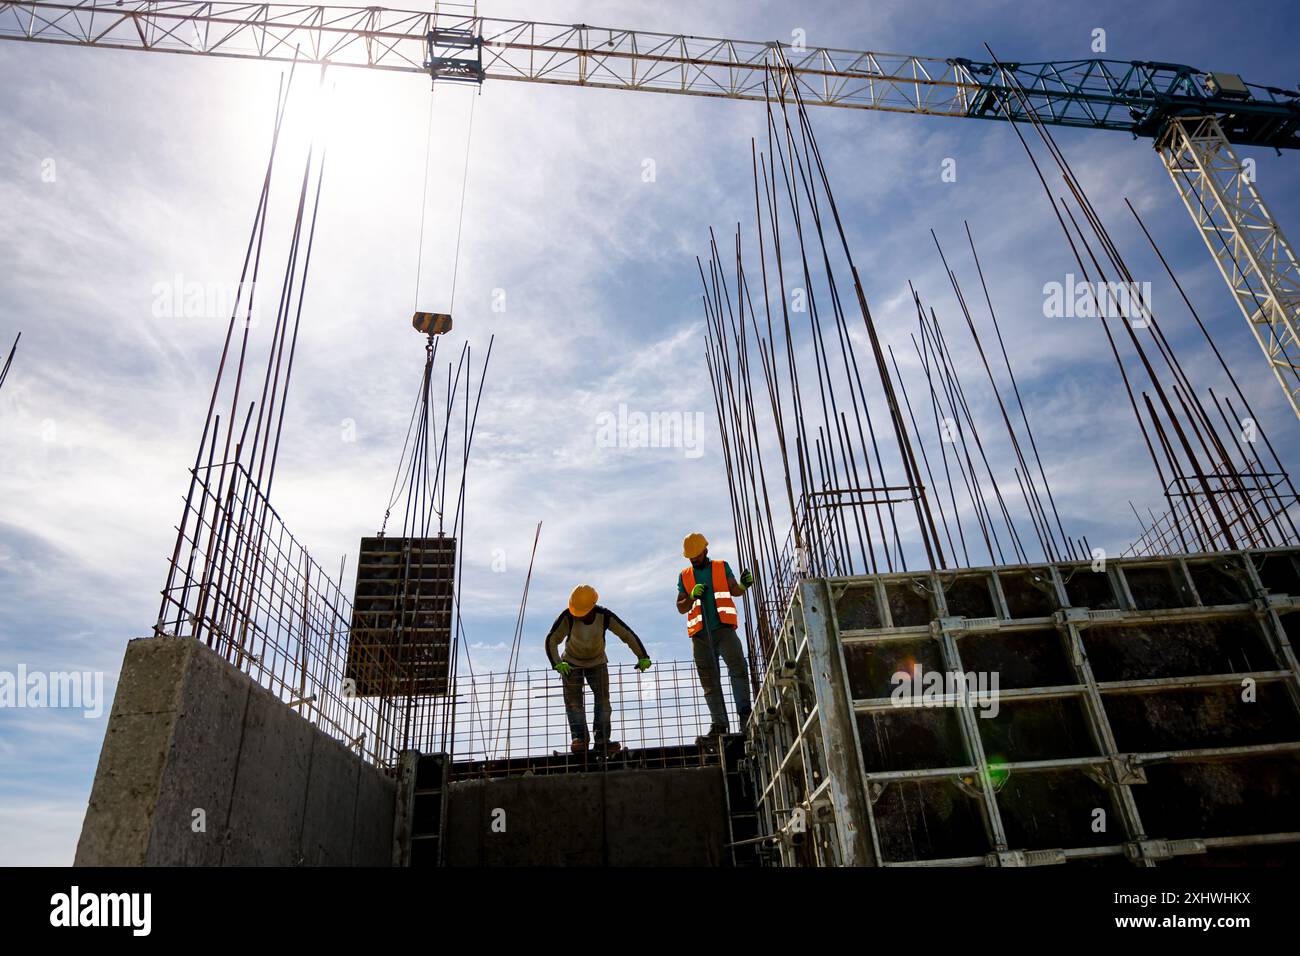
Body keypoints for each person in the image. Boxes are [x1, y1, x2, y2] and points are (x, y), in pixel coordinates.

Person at [544, 584, 651, 754]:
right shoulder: (568, 616)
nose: (580, 615)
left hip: (597, 661)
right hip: (571, 662)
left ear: (592, 606)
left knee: (603, 701)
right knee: (574, 703)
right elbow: (552, 639)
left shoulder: (604, 616)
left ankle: (602, 740)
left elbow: (626, 634)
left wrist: (642, 656)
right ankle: (579, 739)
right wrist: (557, 662)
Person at [675, 533, 754, 742]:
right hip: (700, 636)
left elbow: (734, 590)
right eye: (690, 556)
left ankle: (745, 715)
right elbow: (680, 607)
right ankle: (719, 723)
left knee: (738, 669)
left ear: (705, 551)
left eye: (696, 555)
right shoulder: (684, 576)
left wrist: (744, 586)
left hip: (724, 630)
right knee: (709, 682)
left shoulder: (720, 566)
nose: (693, 559)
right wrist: (691, 596)